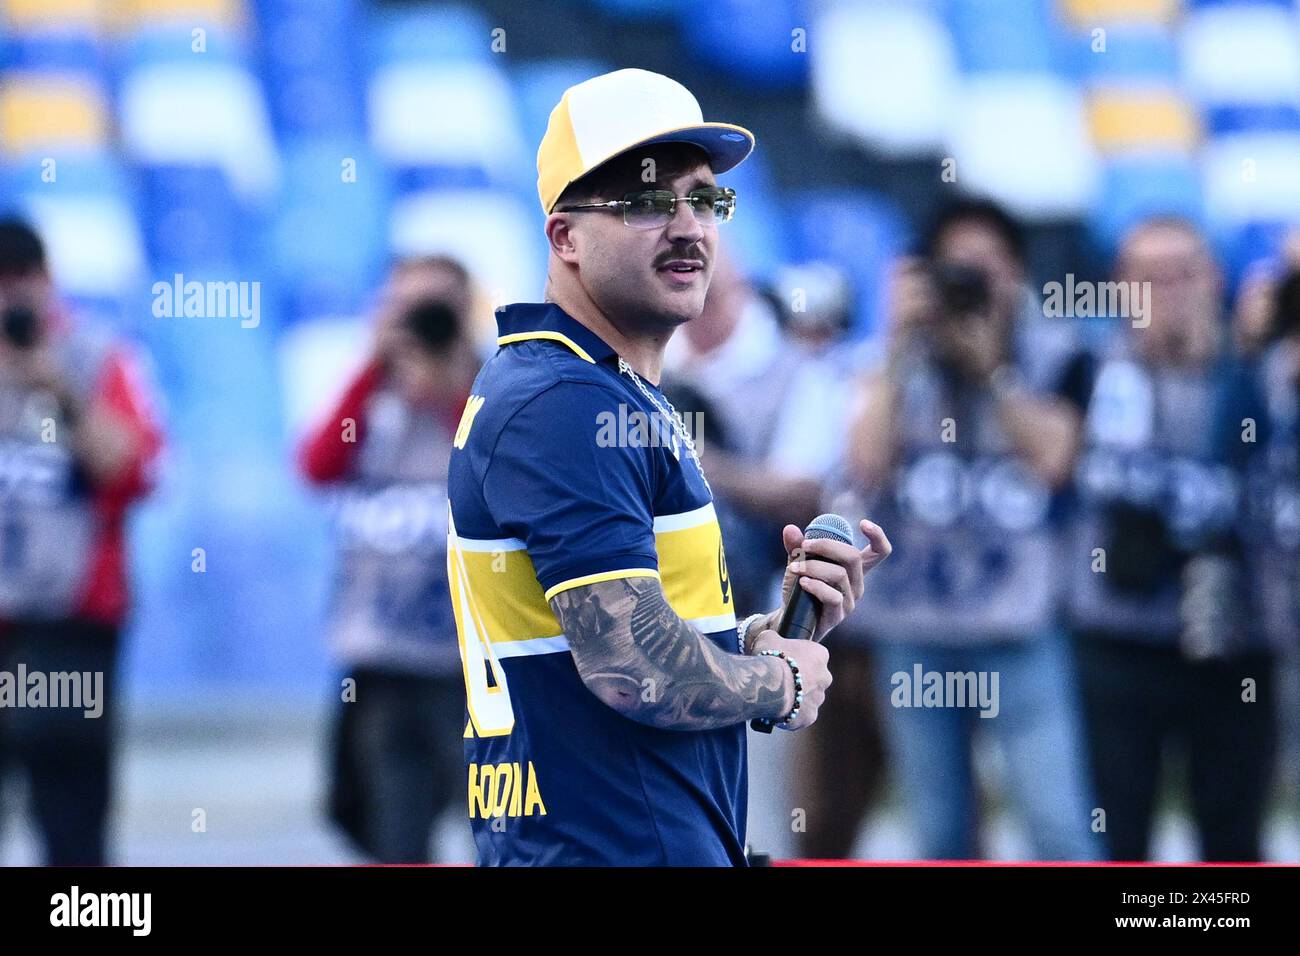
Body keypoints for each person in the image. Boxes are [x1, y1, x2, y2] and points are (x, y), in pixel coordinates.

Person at [445, 68, 891, 866]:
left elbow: (610, 635)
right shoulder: (566, 402)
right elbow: (631, 664)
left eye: (705, 199)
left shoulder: (592, 386)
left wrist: (756, 634)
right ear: (565, 237)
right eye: (648, 200)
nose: (689, 226)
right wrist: (780, 685)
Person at [844, 198, 1099, 860]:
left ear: (1017, 273)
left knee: (1058, 827)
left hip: (1019, 626)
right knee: (941, 834)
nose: (972, 286)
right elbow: (865, 460)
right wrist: (899, 344)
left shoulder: (1058, 354)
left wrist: (992, 369)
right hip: (918, 628)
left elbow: (1052, 460)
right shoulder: (897, 358)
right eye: (957, 271)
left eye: (987, 268)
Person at [1066, 216, 1276, 861]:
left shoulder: (1262, 377)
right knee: (1117, 837)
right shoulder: (1086, 370)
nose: (1168, 291)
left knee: (1234, 839)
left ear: (1216, 278)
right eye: (1147, 278)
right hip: (1117, 634)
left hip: (1236, 635)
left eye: (1184, 272)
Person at [299, 255, 480, 863]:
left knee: (501, 827)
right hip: (382, 660)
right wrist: (374, 364)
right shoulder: (369, 400)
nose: (421, 323)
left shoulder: (490, 391)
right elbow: (317, 466)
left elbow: (503, 473)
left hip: (470, 661)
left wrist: (450, 389)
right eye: (407, 308)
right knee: (389, 836)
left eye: (435, 309)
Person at [0, 217, 163, 865]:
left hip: (71, 624)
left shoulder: (95, 360)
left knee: (71, 817)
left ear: (45, 285)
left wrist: (55, 386)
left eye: (18, 285)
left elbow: (132, 469)